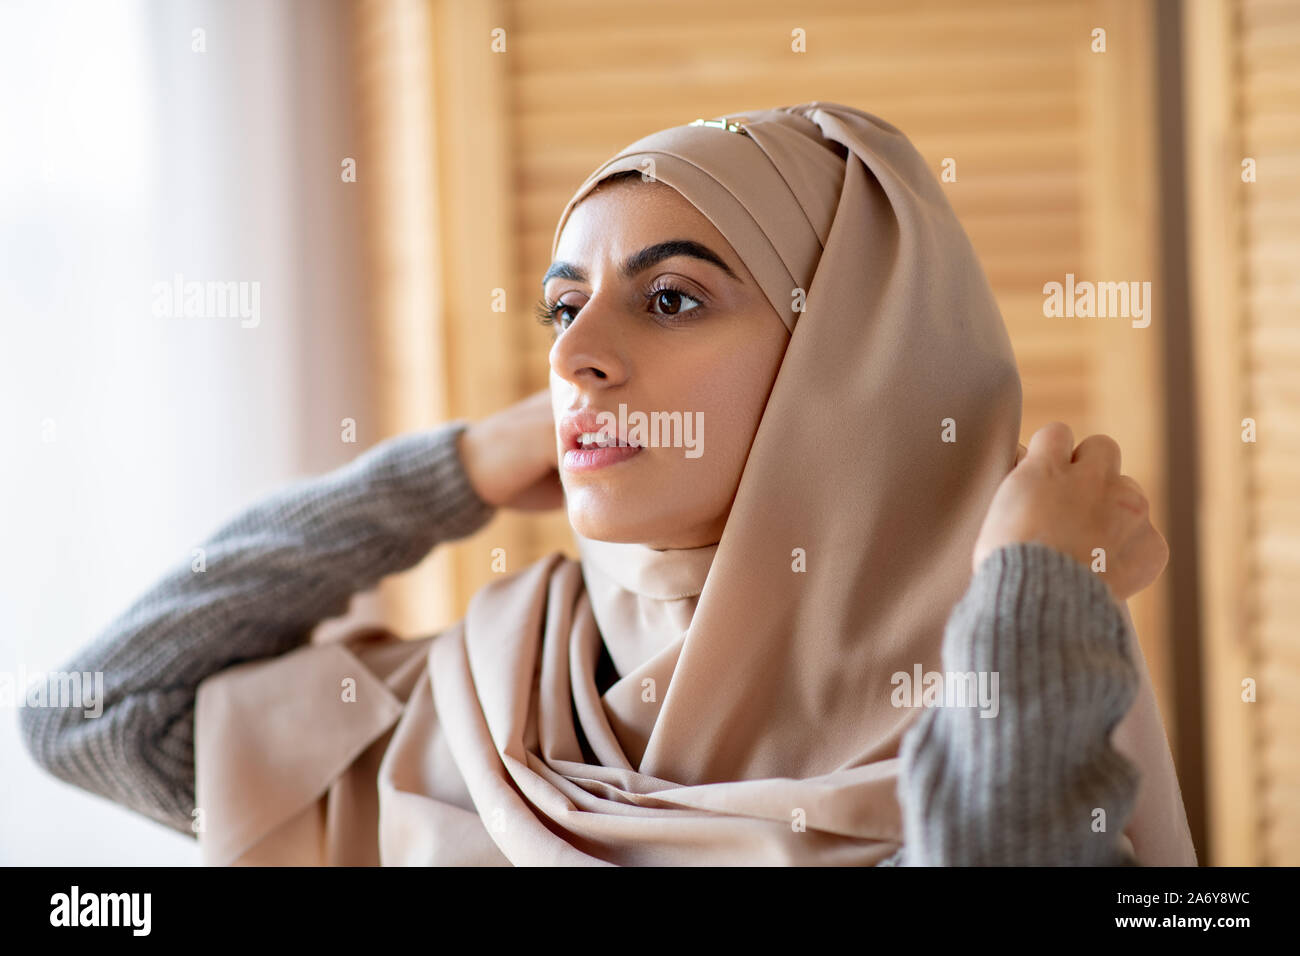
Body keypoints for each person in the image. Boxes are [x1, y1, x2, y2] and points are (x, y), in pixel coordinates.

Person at [19, 102, 1197, 866]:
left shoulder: (1011, 706)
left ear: (846, 356)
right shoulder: (484, 695)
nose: (575, 354)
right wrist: (460, 464)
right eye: (564, 304)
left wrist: (1035, 602)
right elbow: (91, 714)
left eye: (670, 296)